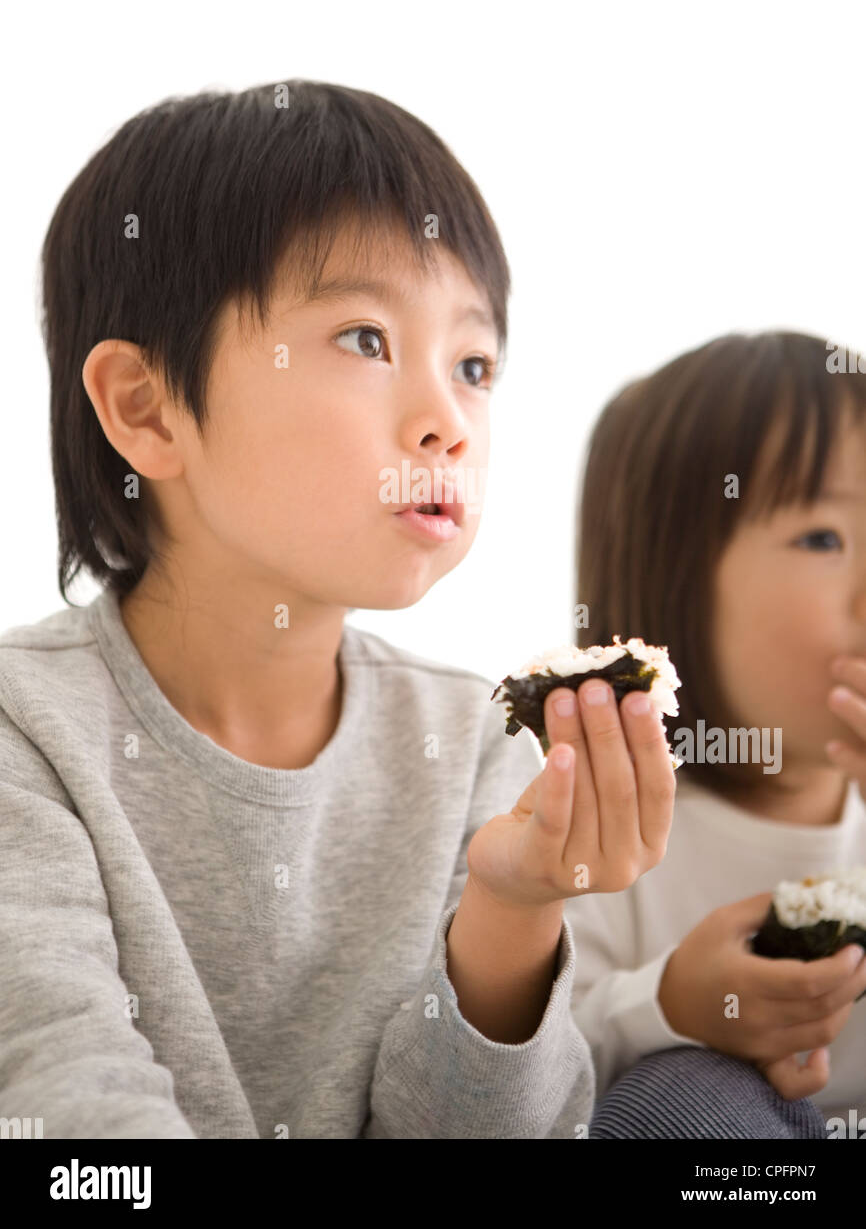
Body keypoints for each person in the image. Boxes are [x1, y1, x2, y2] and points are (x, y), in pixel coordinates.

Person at [0, 80, 676, 1139]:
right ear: (145, 408)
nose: (446, 420)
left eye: (472, 363)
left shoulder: (472, 745)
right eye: (365, 339)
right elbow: (66, 1111)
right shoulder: (23, 731)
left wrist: (512, 908)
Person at [560, 330, 866, 1139]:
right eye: (824, 539)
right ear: (676, 584)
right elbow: (528, 1080)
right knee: (684, 1090)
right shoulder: (599, 825)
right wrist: (670, 1007)